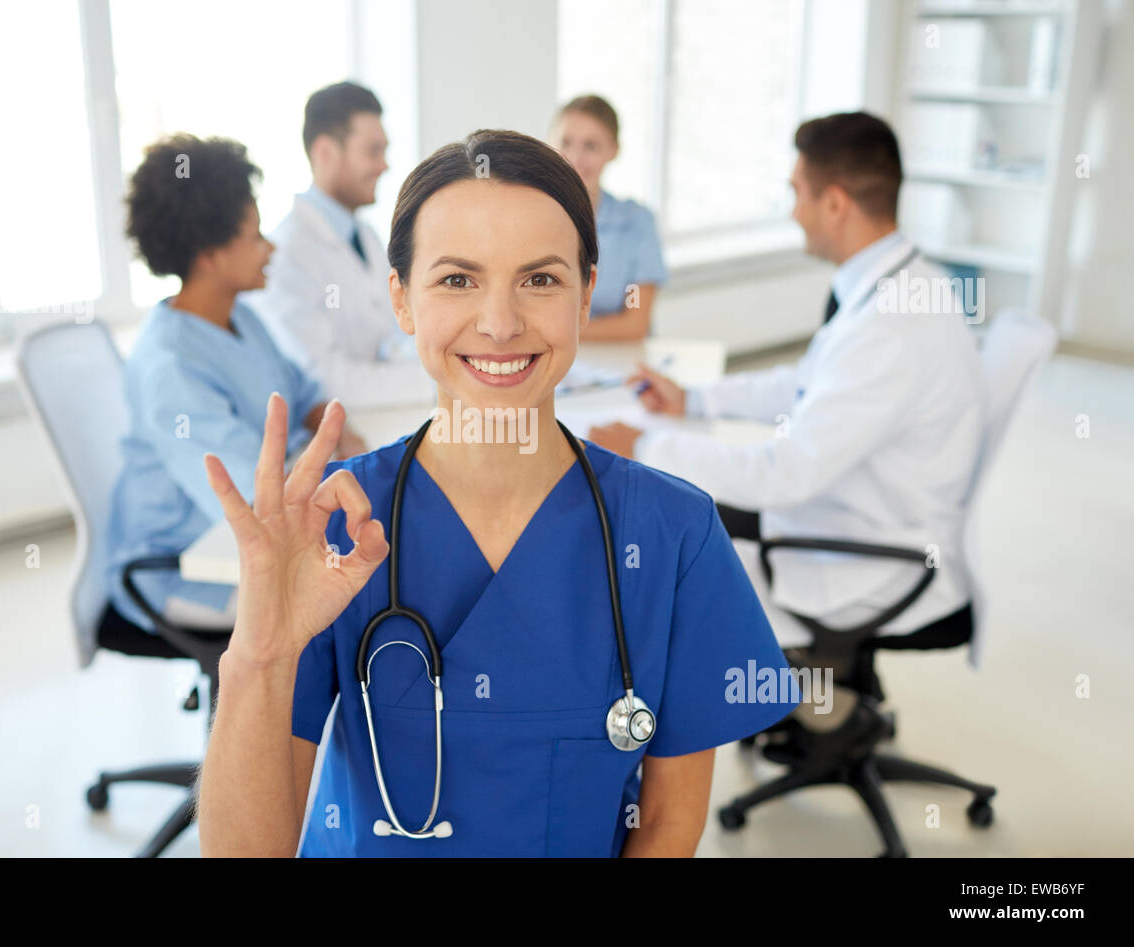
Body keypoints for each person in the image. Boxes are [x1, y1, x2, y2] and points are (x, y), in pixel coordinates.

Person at [196, 129, 798, 858]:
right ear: (402, 299)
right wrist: (260, 650)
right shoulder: (336, 525)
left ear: (586, 294)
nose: (501, 322)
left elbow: (669, 822)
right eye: (457, 279)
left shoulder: (674, 534)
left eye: (541, 279)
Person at [588, 112, 985, 646]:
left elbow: (784, 474)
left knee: (660, 526)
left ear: (836, 203)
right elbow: (806, 383)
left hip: (868, 552)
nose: (793, 210)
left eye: (797, 192)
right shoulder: (901, 284)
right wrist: (696, 399)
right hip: (853, 509)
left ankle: (800, 704)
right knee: (688, 505)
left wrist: (647, 447)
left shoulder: (891, 327)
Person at [104, 133, 367, 634]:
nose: (270, 247)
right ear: (208, 255)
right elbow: (256, 500)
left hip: (254, 536)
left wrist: (343, 439)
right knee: (356, 599)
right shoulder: (171, 368)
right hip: (191, 566)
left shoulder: (239, 318)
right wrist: (343, 465)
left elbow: (303, 391)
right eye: (254, 236)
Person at [239, 81, 430, 409]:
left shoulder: (365, 235)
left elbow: (396, 335)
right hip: (347, 427)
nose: (384, 166)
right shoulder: (287, 254)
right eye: (373, 151)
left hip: (390, 413)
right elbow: (323, 381)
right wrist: (437, 380)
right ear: (326, 153)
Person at [551, 94, 667, 342]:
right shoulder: (533, 222)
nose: (576, 157)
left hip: (618, 360)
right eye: (566, 142)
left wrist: (557, 332)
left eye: (591, 146)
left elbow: (634, 323)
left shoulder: (636, 224)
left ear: (614, 150)